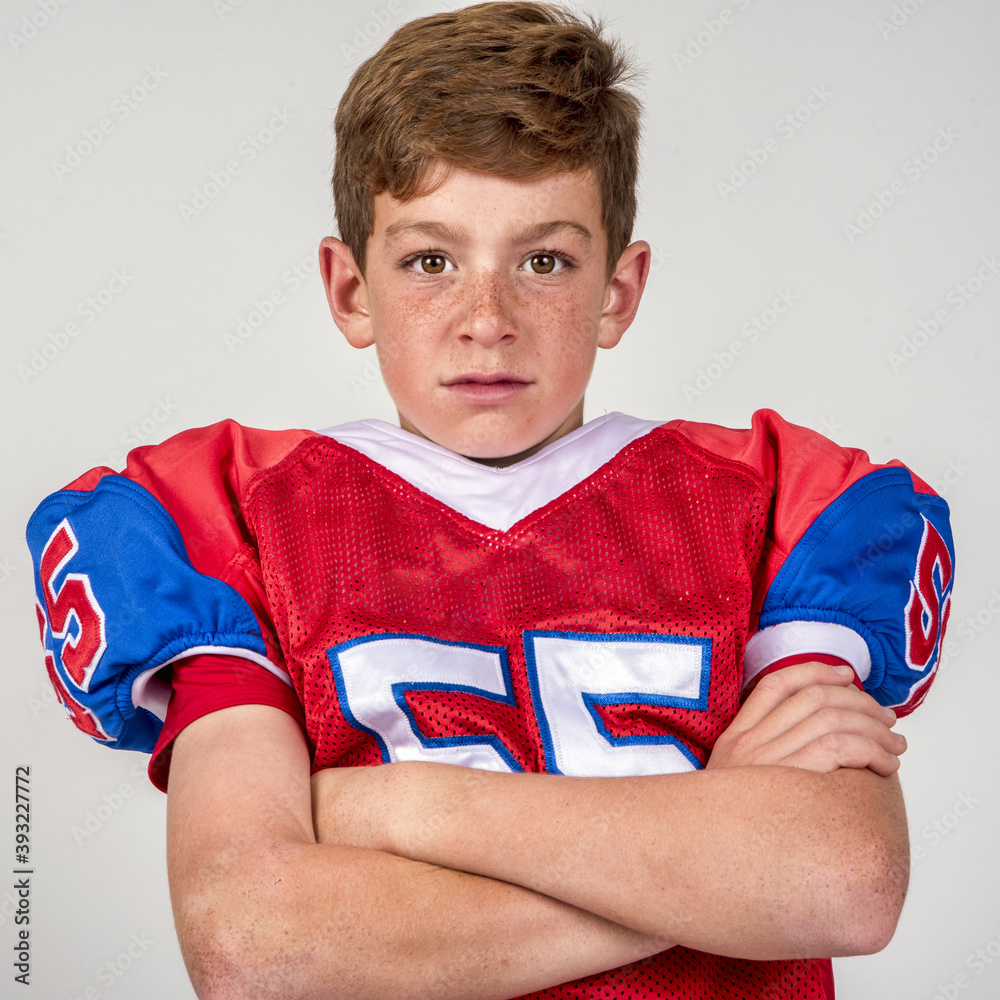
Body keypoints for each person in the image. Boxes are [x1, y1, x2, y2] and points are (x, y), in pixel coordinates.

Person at [27, 3, 954, 998]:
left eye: (544, 261)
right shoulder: (234, 518)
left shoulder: (774, 501)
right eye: (430, 261)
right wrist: (716, 847)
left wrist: (394, 808)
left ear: (617, 289)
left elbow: (844, 882)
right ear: (349, 289)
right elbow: (259, 952)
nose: (486, 322)